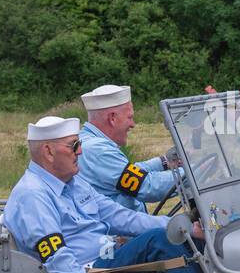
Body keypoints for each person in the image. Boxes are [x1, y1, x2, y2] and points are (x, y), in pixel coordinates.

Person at [3, 116, 204, 273]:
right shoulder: (33, 196)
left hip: (107, 264)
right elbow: (58, 261)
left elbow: (121, 217)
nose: (80, 152)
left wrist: (185, 228)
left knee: (190, 240)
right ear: (49, 152)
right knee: (160, 241)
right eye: (74, 146)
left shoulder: (72, 181)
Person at [77, 84, 183, 213]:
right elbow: (147, 187)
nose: (133, 124)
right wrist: (194, 174)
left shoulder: (87, 141)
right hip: (121, 231)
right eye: (130, 117)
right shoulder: (98, 151)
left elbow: (126, 174)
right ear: (112, 118)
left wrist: (165, 162)